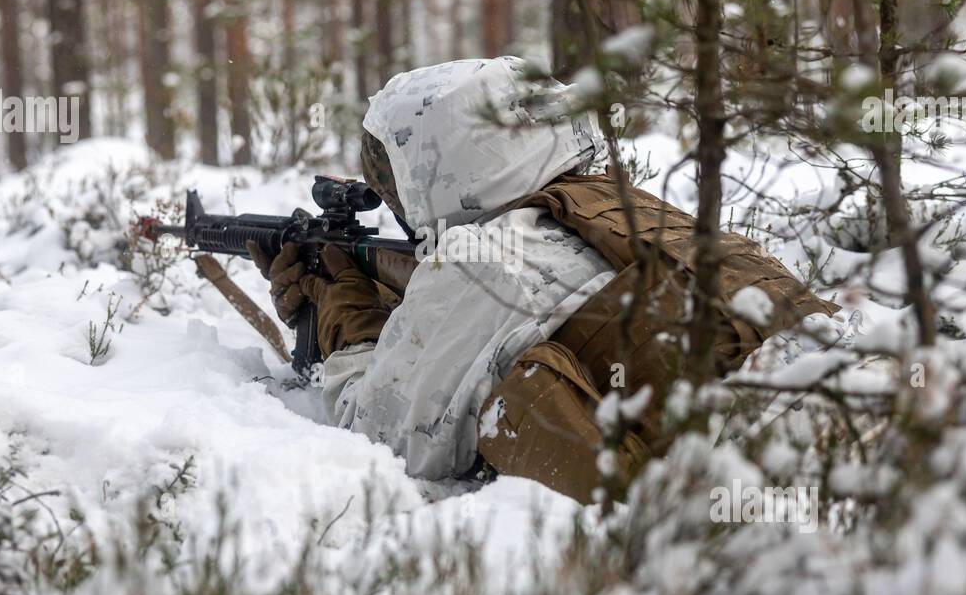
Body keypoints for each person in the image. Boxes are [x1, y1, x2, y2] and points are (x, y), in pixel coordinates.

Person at [250, 57, 836, 503]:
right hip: (844, 411)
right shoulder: (624, 207)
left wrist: (346, 315)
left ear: (438, 161)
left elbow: (378, 435)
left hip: (755, 489)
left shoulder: (484, 258)